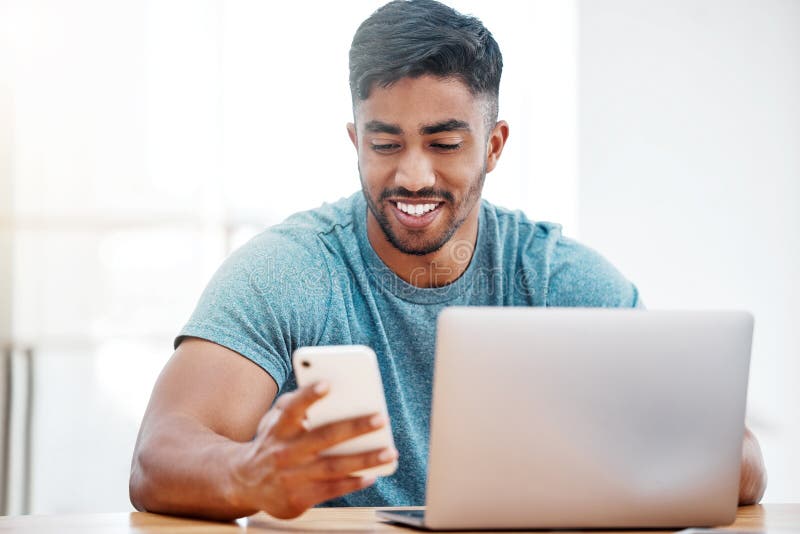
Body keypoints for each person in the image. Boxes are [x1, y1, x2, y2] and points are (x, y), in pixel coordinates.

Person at [129, 0, 767, 521]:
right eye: (385, 143)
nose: (412, 175)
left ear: (493, 145)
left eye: (444, 143)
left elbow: (741, 464)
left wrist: (657, 450)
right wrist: (248, 476)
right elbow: (158, 455)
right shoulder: (291, 269)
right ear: (355, 140)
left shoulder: (559, 277)